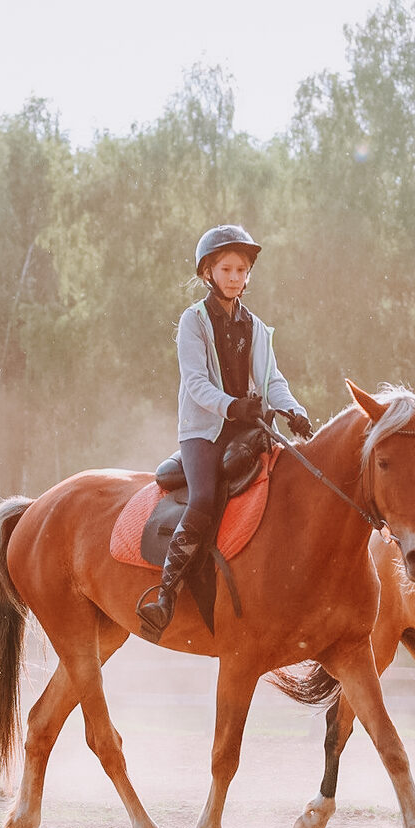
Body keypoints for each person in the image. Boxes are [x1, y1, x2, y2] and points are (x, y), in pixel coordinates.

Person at [135, 224, 312, 643]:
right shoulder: (192, 321)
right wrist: (235, 406)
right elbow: (196, 384)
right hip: (202, 432)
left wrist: (294, 411)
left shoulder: (256, 326)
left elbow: (272, 381)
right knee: (204, 498)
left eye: (242, 270)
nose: (235, 276)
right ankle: (165, 595)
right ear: (207, 273)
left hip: (245, 428)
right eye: (227, 269)